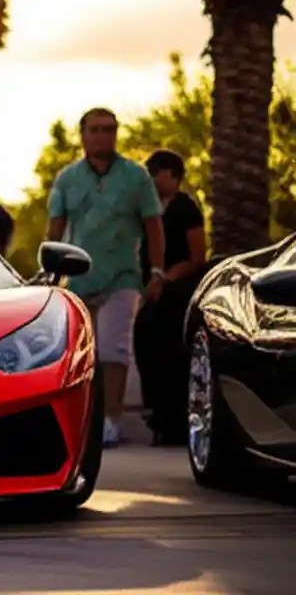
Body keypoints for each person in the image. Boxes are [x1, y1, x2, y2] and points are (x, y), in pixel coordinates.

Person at [47, 107, 165, 448]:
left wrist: (156, 270)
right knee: (80, 353)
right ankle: (82, 419)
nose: (103, 135)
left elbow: (153, 225)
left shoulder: (136, 176)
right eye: (95, 129)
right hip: (78, 278)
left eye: (109, 129)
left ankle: (112, 420)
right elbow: (55, 227)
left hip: (121, 277)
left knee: (114, 347)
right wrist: (51, 270)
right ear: (82, 135)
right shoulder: (67, 178)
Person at [134, 149, 207, 445]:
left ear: (173, 176)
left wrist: (166, 278)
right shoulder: (147, 211)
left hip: (177, 295)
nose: (152, 179)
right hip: (153, 292)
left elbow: (196, 256)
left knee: (172, 353)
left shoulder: (186, 208)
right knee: (146, 344)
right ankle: (157, 414)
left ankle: (176, 420)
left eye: (158, 173)